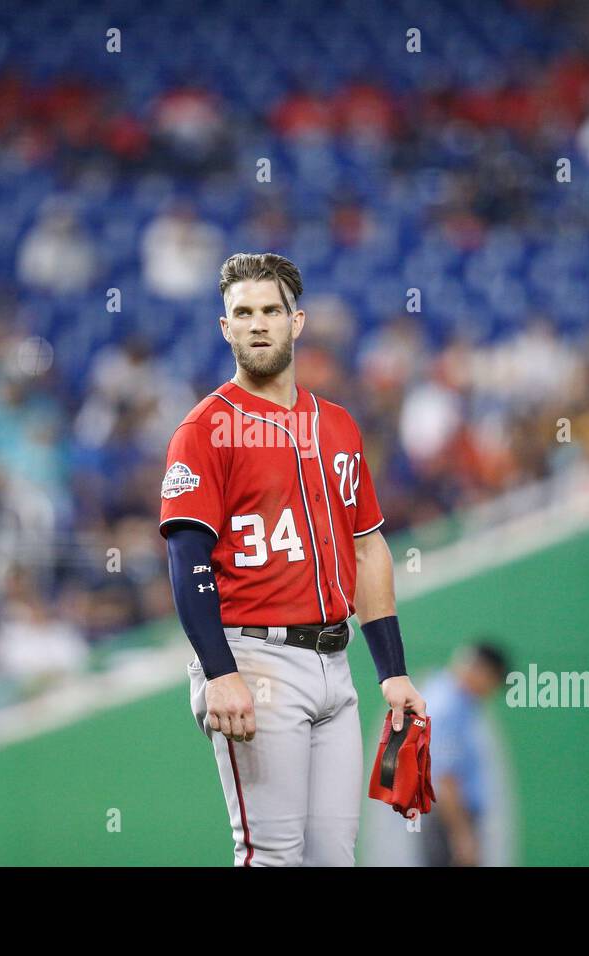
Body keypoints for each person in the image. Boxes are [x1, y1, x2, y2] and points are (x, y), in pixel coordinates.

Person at [159, 252, 426, 866]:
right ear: (224, 328)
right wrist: (221, 671)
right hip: (255, 659)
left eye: (270, 311)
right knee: (272, 857)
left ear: (296, 322)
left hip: (336, 664)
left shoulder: (337, 425)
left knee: (333, 859)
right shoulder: (205, 429)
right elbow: (186, 555)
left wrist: (391, 670)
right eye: (242, 313)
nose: (257, 324)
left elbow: (366, 546)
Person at [418, 642, 508, 866]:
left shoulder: (457, 702)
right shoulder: (448, 707)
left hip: (452, 818)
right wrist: (461, 834)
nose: (490, 691)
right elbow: (445, 777)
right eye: (492, 682)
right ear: (481, 671)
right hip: (449, 819)